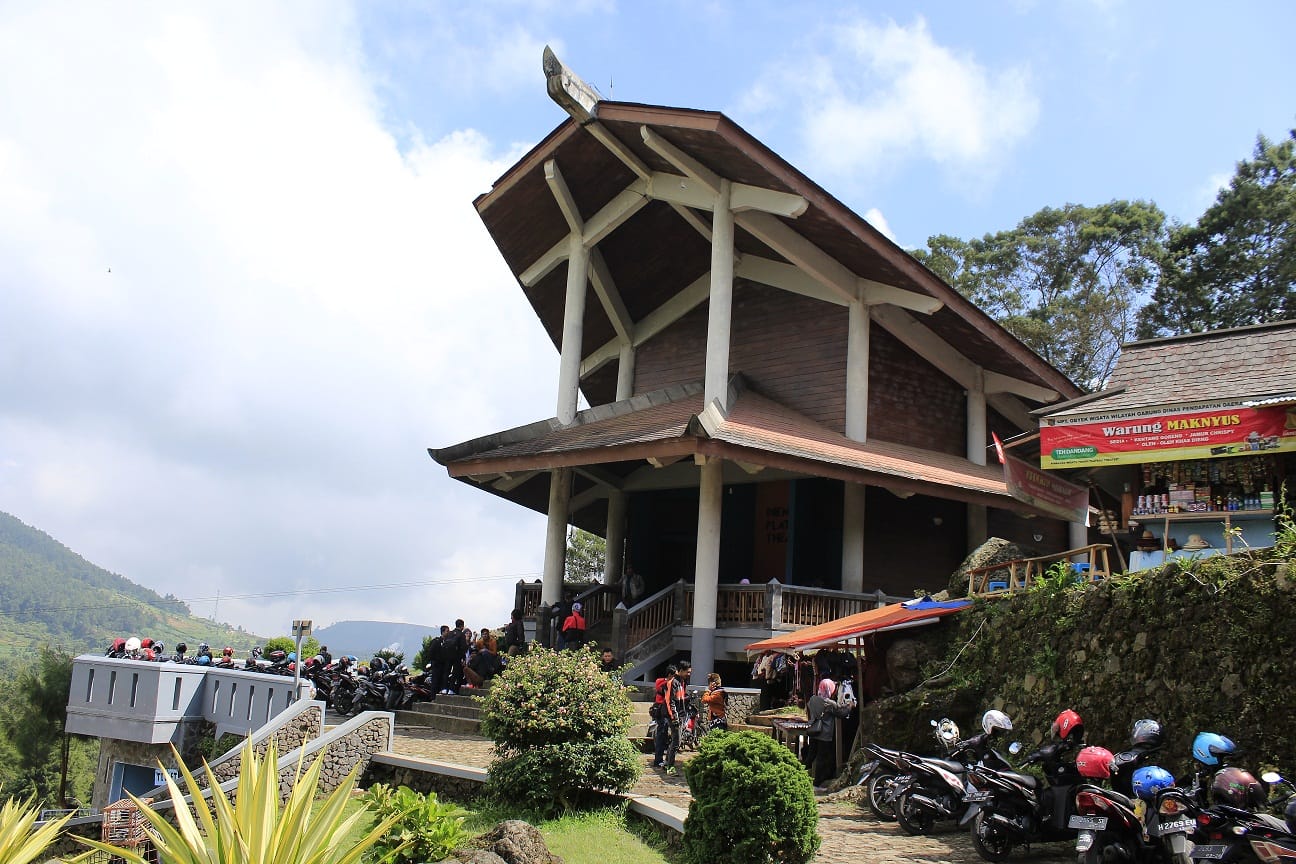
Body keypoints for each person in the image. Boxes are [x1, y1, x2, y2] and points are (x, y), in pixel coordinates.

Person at [806, 678, 856, 789]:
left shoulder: (813, 699)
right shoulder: (829, 703)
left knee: (811, 755)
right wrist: (850, 706)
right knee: (823, 758)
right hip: (824, 734)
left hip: (814, 731)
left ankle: (802, 774)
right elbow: (841, 713)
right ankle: (818, 783)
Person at [654, 664, 686, 775]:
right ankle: (667, 764)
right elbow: (670, 701)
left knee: (674, 740)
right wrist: (674, 716)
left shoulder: (679, 683)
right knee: (671, 740)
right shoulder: (671, 683)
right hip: (668, 714)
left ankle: (667, 763)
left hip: (673, 714)